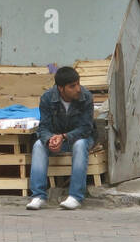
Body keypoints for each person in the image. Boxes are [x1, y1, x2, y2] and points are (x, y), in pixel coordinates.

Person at [27, 66, 96, 211]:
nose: (78, 89)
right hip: (57, 140)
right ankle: (38, 196)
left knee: (80, 145)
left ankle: (75, 197)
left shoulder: (86, 97)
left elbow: (86, 128)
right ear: (60, 88)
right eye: (72, 86)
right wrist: (49, 140)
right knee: (39, 145)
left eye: (78, 83)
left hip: (80, 138)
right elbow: (43, 127)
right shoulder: (47, 98)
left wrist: (64, 137)